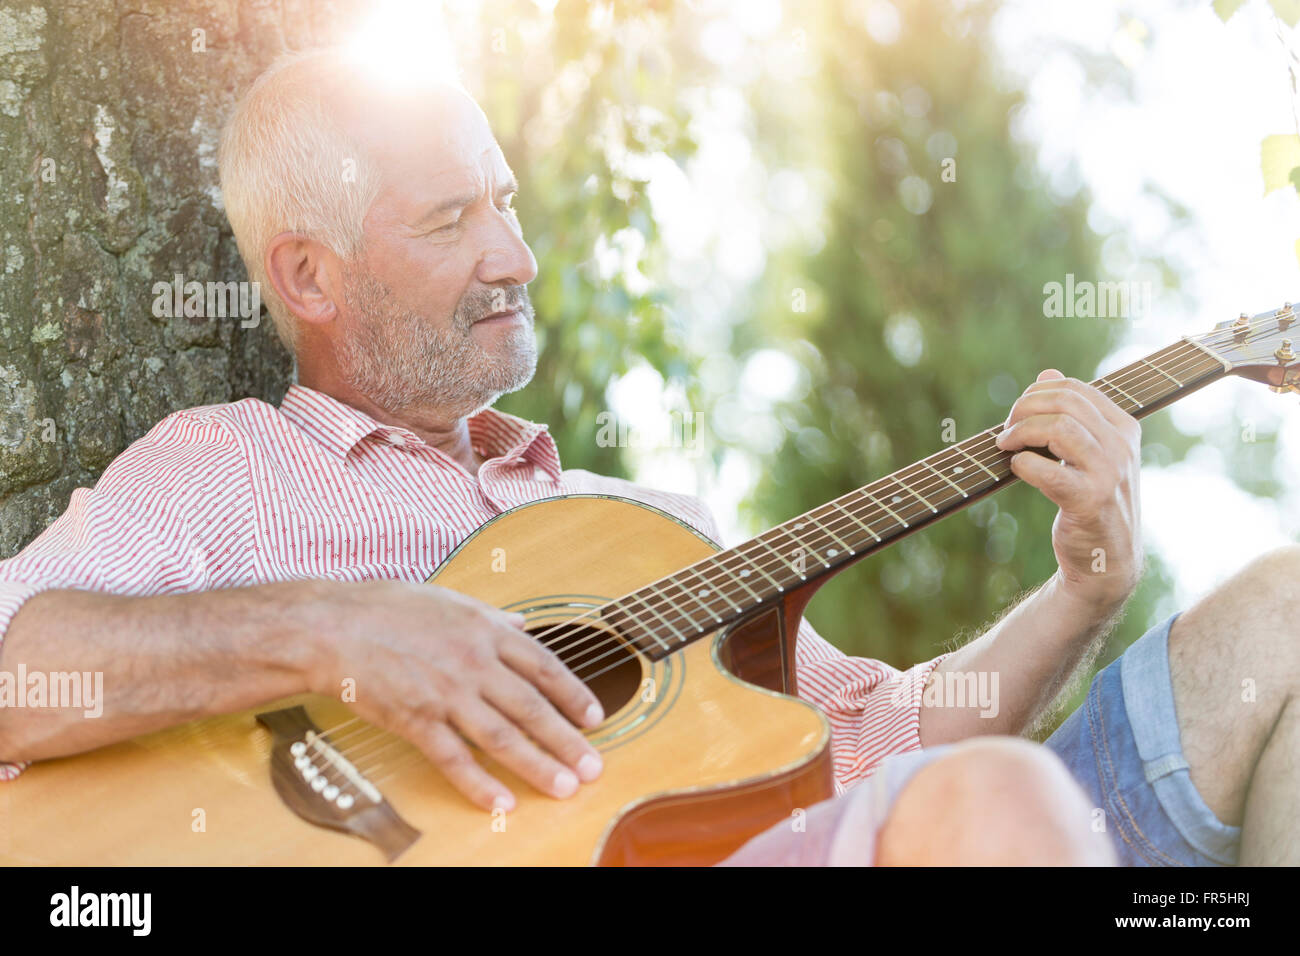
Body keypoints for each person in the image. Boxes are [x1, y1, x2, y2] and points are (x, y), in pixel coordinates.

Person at [0, 48, 1293, 866]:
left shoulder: (633, 524)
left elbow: (898, 741)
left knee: (1276, 616)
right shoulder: (226, 468)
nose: (512, 256)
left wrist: (1083, 592)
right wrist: (341, 633)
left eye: (505, 202)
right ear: (309, 276)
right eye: (452, 220)